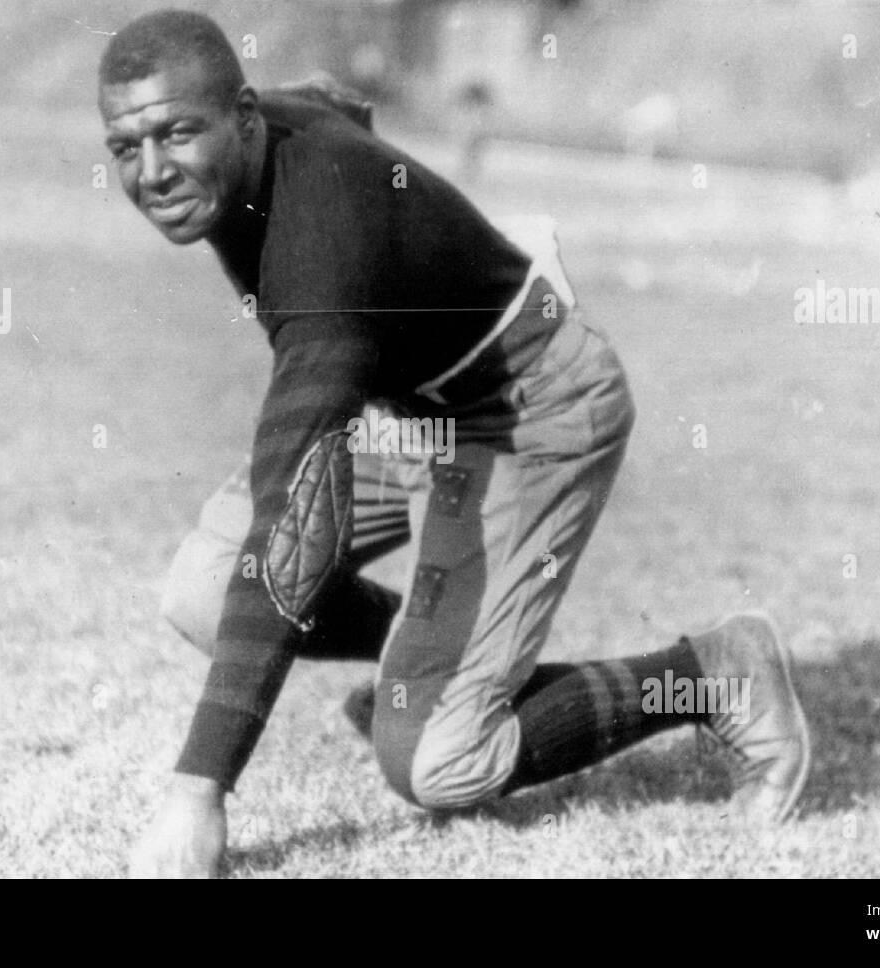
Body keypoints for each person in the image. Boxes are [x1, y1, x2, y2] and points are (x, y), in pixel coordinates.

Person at [97, 9, 810, 878]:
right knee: (202, 593)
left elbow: (292, 531)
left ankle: (711, 672)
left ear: (244, 116)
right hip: (409, 412)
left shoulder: (323, 267)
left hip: (528, 408)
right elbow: (334, 100)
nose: (154, 172)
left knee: (437, 762)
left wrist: (195, 792)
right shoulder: (270, 122)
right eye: (126, 148)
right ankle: (444, 664)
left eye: (176, 134)